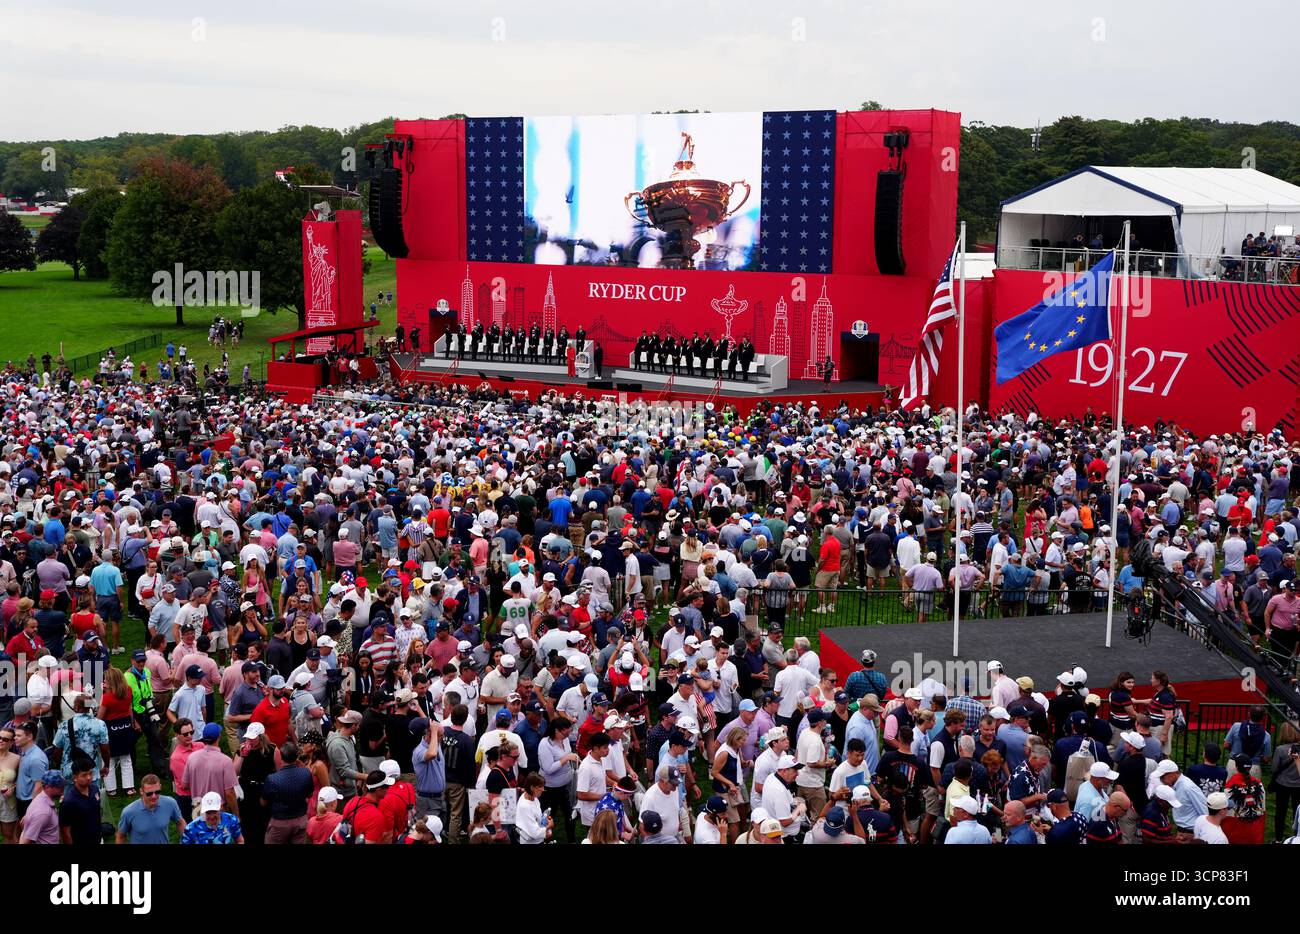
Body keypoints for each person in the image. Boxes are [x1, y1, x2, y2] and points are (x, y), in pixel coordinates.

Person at [116, 773, 186, 844]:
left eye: (157, 792)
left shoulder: (170, 803)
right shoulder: (129, 812)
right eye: (149, 794)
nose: (154, 796)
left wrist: (186, 840)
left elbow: (180, 822)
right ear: (141, 791)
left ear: (160, 787)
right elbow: (120, 836)